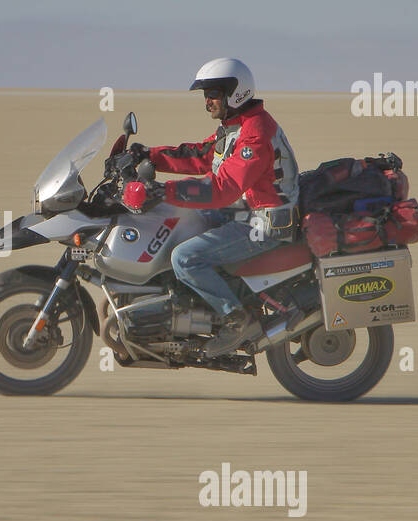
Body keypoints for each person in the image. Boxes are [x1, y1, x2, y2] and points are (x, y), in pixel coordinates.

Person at [122, 58, 300, 357]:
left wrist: (161, 190)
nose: (207, 102)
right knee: (176, 221)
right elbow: (201, 155)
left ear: (235, 93)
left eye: (213, 94)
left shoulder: (255, 135)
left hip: (264, 222)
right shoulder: (236, 126)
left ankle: (236, 319)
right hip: (245, 211)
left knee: (185, 257)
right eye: (206, 95)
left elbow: (221, 189)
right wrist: (148, 155)